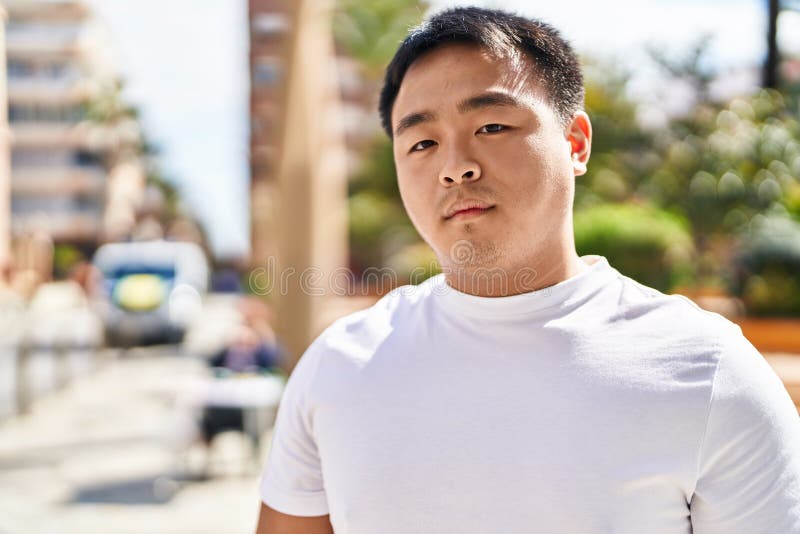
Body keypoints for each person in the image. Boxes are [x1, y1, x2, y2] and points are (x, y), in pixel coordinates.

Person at [256, 7, 800, 533]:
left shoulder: (708, 372)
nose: (455, 167)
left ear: (575, 141)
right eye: (422, 142)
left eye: (491, 125)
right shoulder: (337, 367)